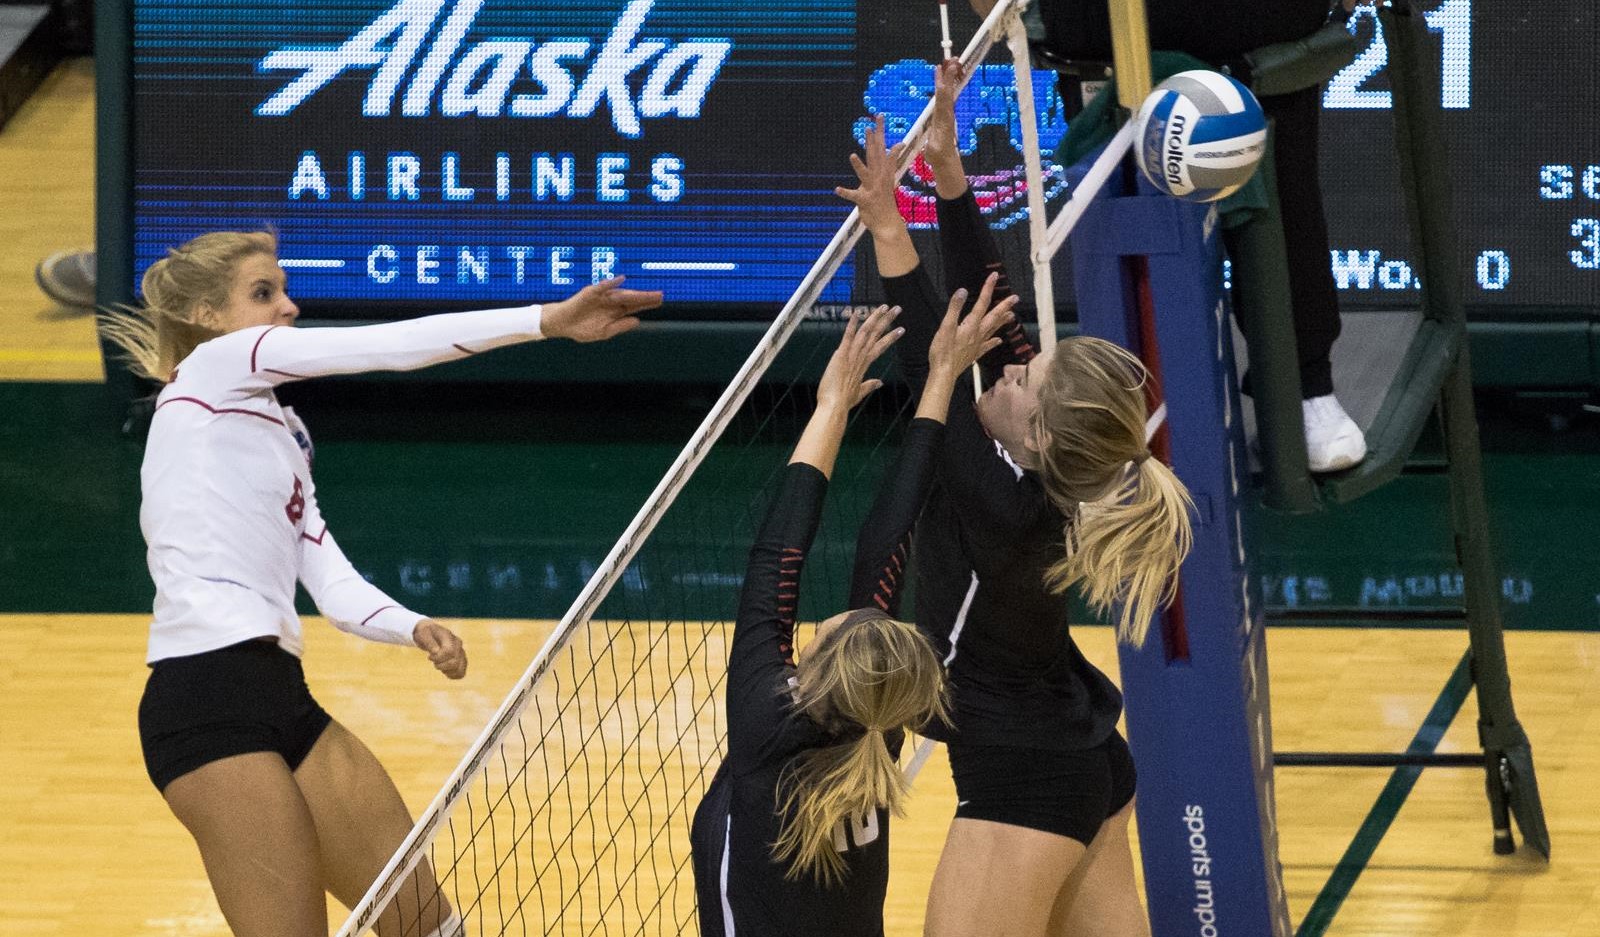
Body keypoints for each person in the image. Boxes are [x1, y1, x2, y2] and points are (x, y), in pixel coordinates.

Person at [101, 229, 662, 937]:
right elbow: (387, 346)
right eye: (264, 292)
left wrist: (410, 624)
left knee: (427, 924)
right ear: (208, 317)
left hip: (281, 693)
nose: (289, 307)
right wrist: (544, 321)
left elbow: (328, 576)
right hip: (203, 700)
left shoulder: (281, 429)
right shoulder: (217, 366)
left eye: (285, 288)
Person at [837, 83, 1193, 935]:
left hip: (1024, 784)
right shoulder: (1056, 473)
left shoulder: (1000, 502)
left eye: (1021, 383)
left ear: (1036, 439)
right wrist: (950, 182)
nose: (1006, 371)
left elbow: (941, 358)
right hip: (1081, 761)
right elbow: (990, 307)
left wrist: (890, 227)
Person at [689, 288, 1016, 936]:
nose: (854, 611)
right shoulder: (875, 716)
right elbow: (888, 538)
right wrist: (941, 377)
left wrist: (831, 406)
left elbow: (777, 556)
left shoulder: (768, 720)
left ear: (814, 665)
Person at [969, 0, 1370, 473]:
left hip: (1251, 26)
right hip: (1105, 20)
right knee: (1116, 211)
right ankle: (1113, 409)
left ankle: (1303, 388)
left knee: (1287, 189)